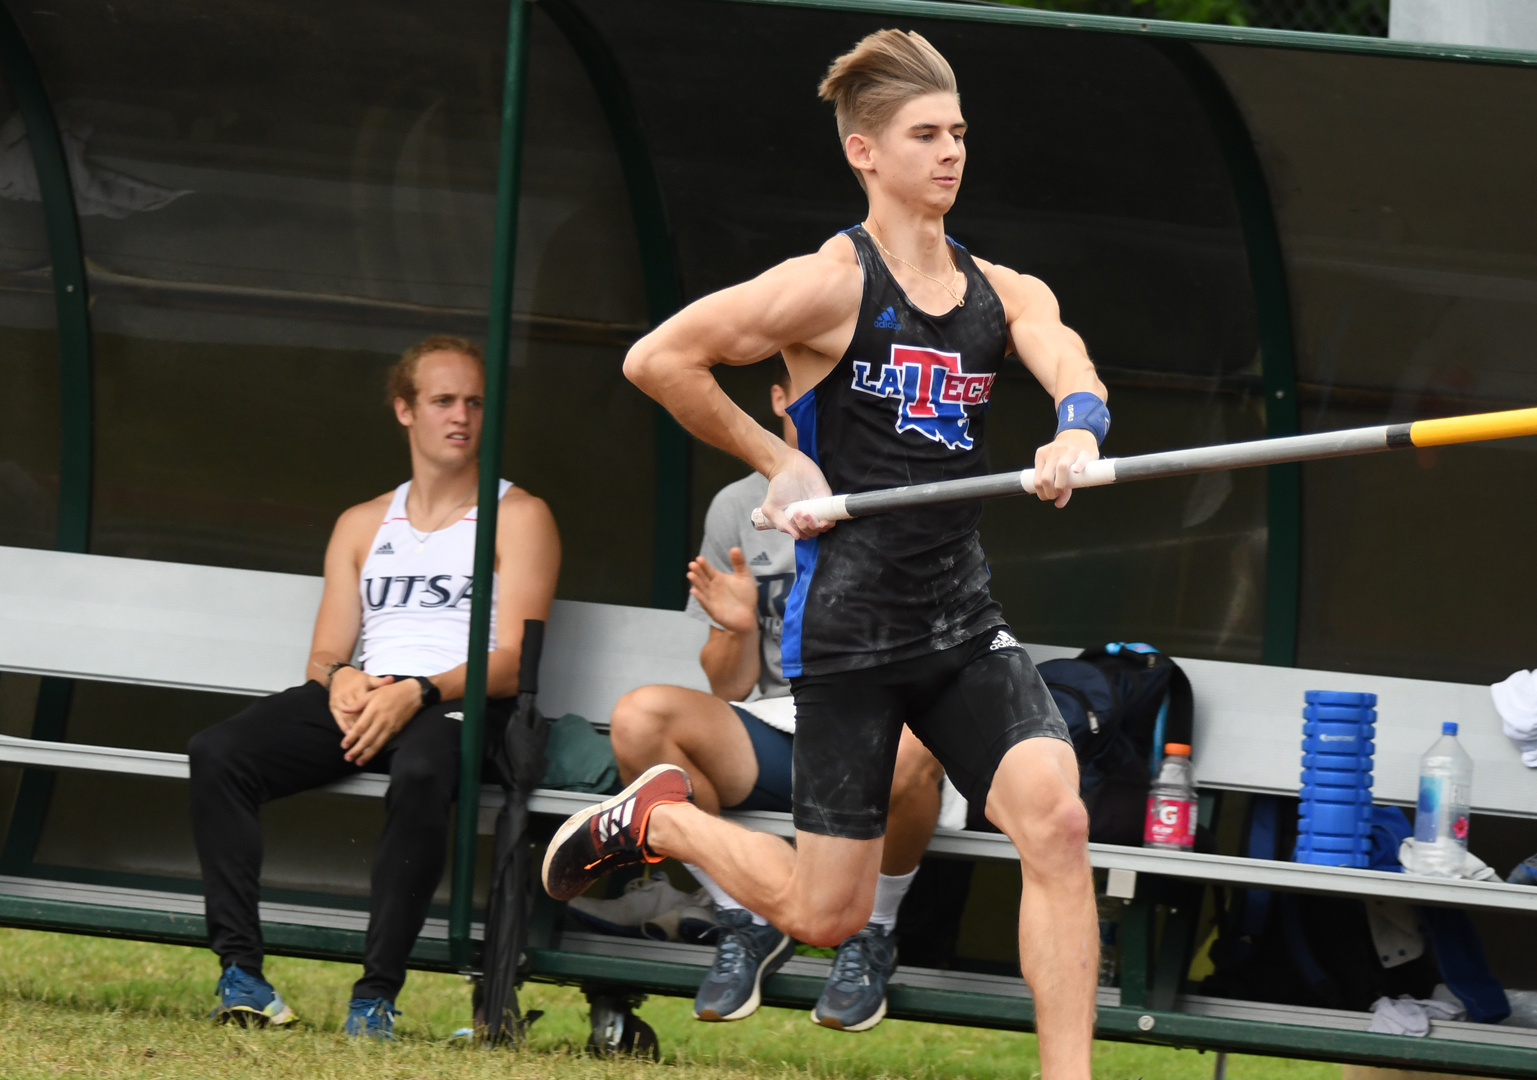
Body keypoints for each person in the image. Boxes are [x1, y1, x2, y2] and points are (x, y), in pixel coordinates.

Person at [544, 30, 1107, 1079]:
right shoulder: (831, 285)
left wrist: (1076, 428)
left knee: (1057, 821)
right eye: (925, 134)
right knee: (823, 909)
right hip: (852, 632)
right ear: (865, 152)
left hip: (963, 624)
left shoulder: (997, 290)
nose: (950, 153)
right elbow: (657, 357)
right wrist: (776, 459)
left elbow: (1062, 348)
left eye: (959, 134)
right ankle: (664, 826)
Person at [187, 335, 561, 1036]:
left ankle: (375, 997)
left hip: (457, 705)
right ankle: (242, 975)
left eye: (476, 403)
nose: (462, 417)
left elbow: (514, 662)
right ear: (404, 410)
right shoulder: (364, 522)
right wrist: (345, 679)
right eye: (443, 401)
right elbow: (326, 654)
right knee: (219, 752)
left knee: (422, 770)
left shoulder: (519, 515)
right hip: (373, 697)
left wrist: (417, 692)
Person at [571, 372, 947, 1031]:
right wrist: (738, 627)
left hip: (877, 732)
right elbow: (729, 686)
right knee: (638, 719)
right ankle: (743, 918)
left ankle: (872, 932)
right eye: (806, 389)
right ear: (777, 398)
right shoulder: (738, 505)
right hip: (776, 731)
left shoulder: (904, 490)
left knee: (918, 745)